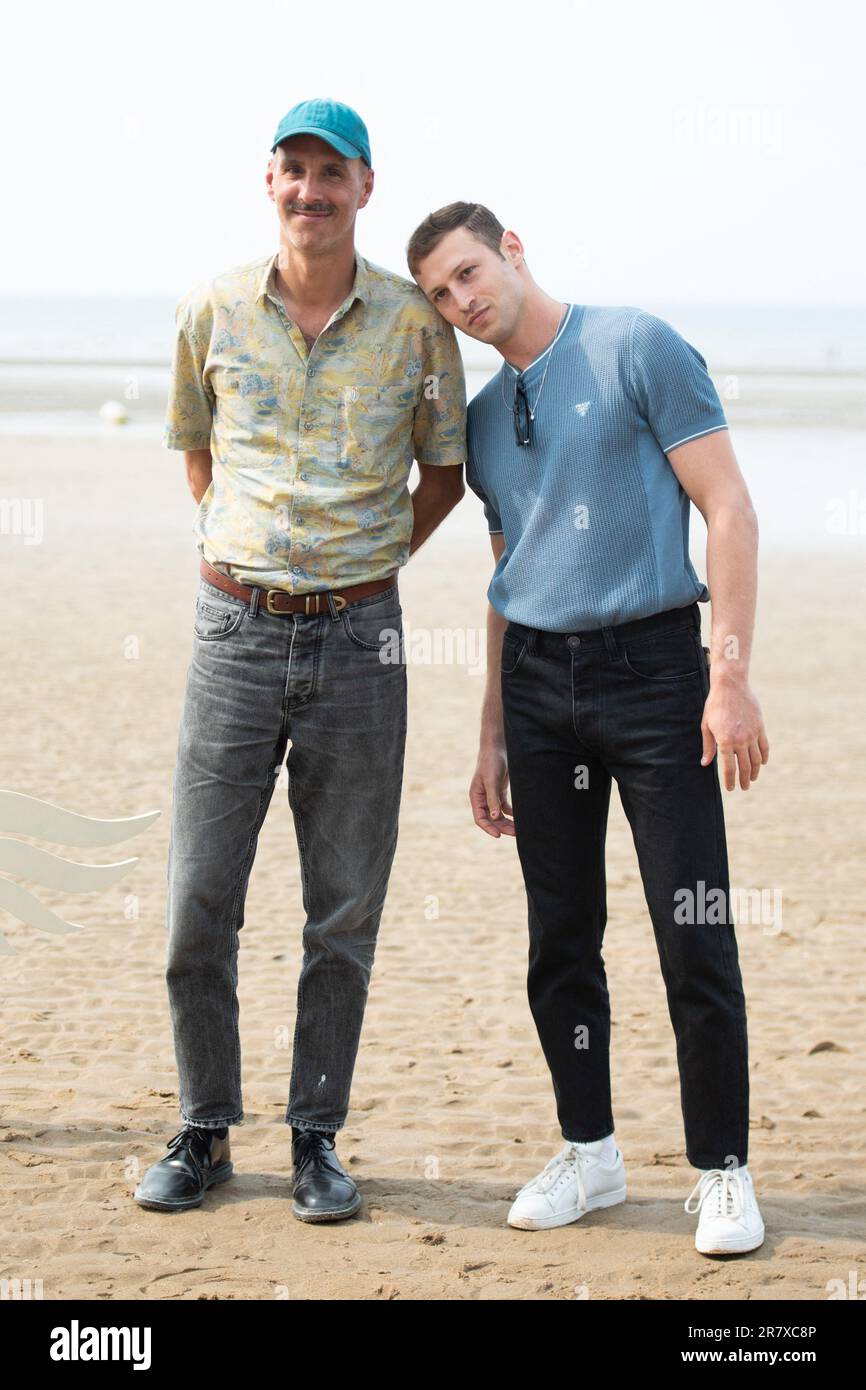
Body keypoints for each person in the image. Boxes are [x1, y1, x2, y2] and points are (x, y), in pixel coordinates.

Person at [408, 202, 769, 1255]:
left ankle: (721, 1168)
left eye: (469, 273)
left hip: (655, 670)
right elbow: (504, 572)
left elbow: (729, 509)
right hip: (534, 685)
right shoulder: (480, 422)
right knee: (559, 938)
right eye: (439, 293)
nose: (462, 301)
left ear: (510, 248)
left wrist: (727, 678)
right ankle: (589, 1152)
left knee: (690, 922)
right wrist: (487, 732)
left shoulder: (634, 344)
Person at [134, 100, 466, 1222]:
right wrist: (256, 564)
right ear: (266, 182)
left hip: (362, 638)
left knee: (342, 907)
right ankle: (204, 1130)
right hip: (230, 632)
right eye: (293, 170)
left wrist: (358, 567)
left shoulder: (417, 325)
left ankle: (317, 1137)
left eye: (331, 172)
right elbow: (196, 453)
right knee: (197, 899)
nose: (310, 190)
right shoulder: (212, 309)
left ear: (365, 187)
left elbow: (441, 475)